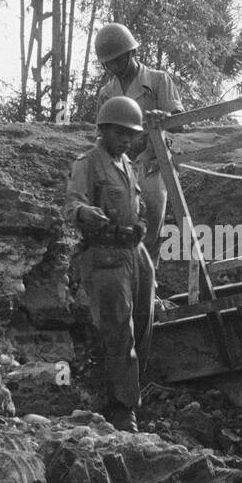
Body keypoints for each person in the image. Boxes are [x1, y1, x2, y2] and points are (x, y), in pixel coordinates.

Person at [65, 96, 156, 433]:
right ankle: (122, 409)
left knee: (144, 322)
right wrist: (83, 212)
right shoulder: (87, 164)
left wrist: (141, 222)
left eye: (131, 135)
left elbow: (138, 204)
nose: (127, 140)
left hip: (135, 253)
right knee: (119, 332)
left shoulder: (128, 165)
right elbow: (72, 203)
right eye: (120, 133)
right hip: (105, 256)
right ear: (103, 130)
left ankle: (132, 393)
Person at [95, 23, 185, 263]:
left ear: (131, 53)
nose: (114, 67)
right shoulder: (106, 93)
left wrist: (163, 118)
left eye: (118, 60)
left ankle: (148, 289)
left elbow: (179, 123)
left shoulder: (157, 81)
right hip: (121, 168)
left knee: (151, 229)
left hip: (153, 164)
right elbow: (102, 135)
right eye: (109, 63)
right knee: (120, 229)